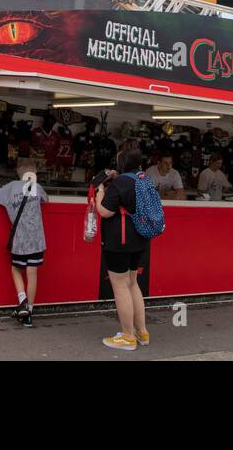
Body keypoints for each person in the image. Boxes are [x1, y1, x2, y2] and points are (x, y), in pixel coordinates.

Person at [95, 149, 150, 351]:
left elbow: (104, 211)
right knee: (133, 283)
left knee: (120, 286)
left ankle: (127, 337)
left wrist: (100, 190)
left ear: (122, 162)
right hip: (140, 240)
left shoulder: (121, 183)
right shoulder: (144, 179)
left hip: (120, 241)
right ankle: (141, 331)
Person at [0, 160, 48, 326]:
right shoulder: (38, 187)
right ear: (34, 173)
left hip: (20, 240)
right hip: (36, 241)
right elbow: (47, 199)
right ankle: (29, 313)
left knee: (16, 269)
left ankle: (22, 301)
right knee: (32, 274)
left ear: (18, 173)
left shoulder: (11, 187)